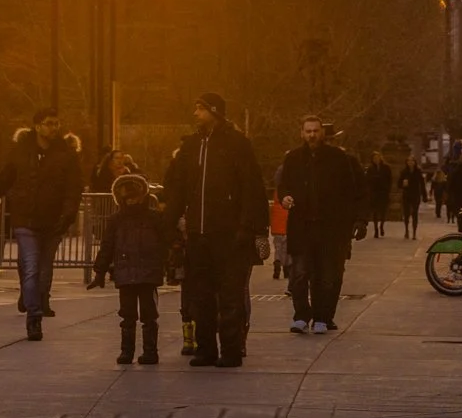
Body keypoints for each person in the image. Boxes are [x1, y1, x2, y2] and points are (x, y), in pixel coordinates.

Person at [162, 93, 268, 367]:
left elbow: (252, 187)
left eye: (200, 108)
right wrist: (168, 223)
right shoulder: (191, 146)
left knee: (230, 295)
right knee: (201, 295)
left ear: (215, 111)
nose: (195, 113)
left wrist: (251, 227)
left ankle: (231, 350)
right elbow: (179, 188)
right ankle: (206, 349)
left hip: (229, 233)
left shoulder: (237, 144)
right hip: (198, 233)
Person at [0, 109, 83, 341]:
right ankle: (34, 317)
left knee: (43, 270)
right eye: (49, 124)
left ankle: (36, 299)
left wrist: (68, 215)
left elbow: (73, 188)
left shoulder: (66, 155)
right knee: (31, 267)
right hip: (25, 220)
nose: (54, 128)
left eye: (56, 124)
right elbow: (2, 181)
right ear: (37, 126)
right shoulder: (20, 152)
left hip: (53, 222)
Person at [275, 114, 362, 332]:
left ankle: (322, 317)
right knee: (299, 274)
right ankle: (301, 315)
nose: (312, 135)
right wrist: (285, 197)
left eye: (315, 131)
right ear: (302, 133)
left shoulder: (338, 158)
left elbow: (352, 190)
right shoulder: (293, 158)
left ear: (322, 132)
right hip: (301, 226)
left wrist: (357, 220)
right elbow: (283, 185)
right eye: (308, 131)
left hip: (329, 227)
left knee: (326, 275)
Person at [90, 172, 167, 365]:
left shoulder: (154, 218)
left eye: (135, 197)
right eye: (128, 198)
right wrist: (100, 271)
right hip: (127, 273)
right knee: (128, 315)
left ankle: (149, 351)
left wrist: (169, 263)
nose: (132, 201)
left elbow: (165, 243)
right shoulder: (117, 220)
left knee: (148, 315)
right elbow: (107, 246)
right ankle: (128, 351)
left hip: (146, 273)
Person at [364, 154, 394, 241]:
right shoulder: (370, 169)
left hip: (383, 192)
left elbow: (389, 179)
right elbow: (367, 180)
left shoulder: (386, 168)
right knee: (375, 212)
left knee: (383, 211)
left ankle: (381, 226)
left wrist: (388, 189)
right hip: (374, 192)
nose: (376, 159)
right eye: (374, 158)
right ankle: (376, 229)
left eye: (377, 158)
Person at [397, 160, 427, 239]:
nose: (410, 163)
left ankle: (414, 232)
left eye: (412, 161)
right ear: (406, 163)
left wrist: (424, 195)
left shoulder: (418, 172)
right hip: (406, 195)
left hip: (415, 195)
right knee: (406, 213)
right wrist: (403, 184)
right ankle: (406, 230)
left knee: (415, 213)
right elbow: (399, 184)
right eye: (409, 161)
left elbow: (422, 184)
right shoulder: (404, 172)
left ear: (414, 162)